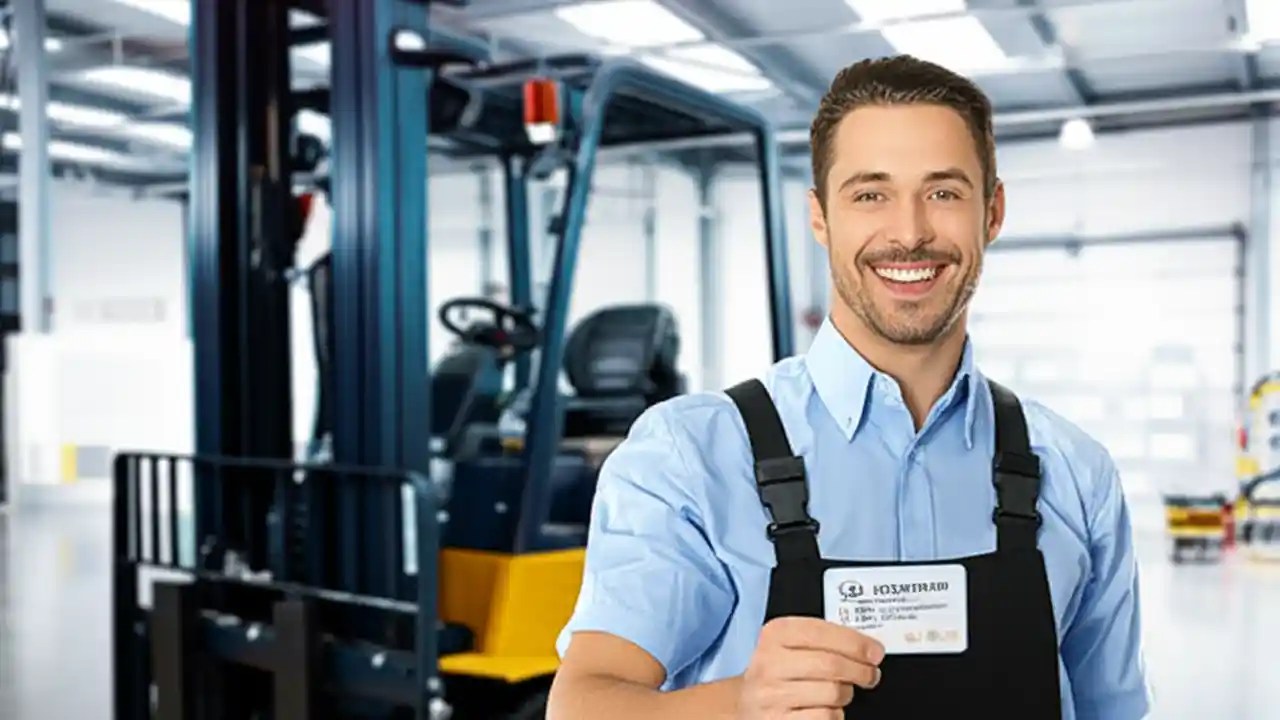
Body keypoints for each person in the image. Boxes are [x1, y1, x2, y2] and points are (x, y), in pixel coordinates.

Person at [546, 55, 1151, 719]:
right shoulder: (689, 458)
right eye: (871, 194)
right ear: (820, 217)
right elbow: (581, 704)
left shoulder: (1074, 474)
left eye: (944, 192)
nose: (910, 232)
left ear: (993, 211)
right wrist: (739, 704)